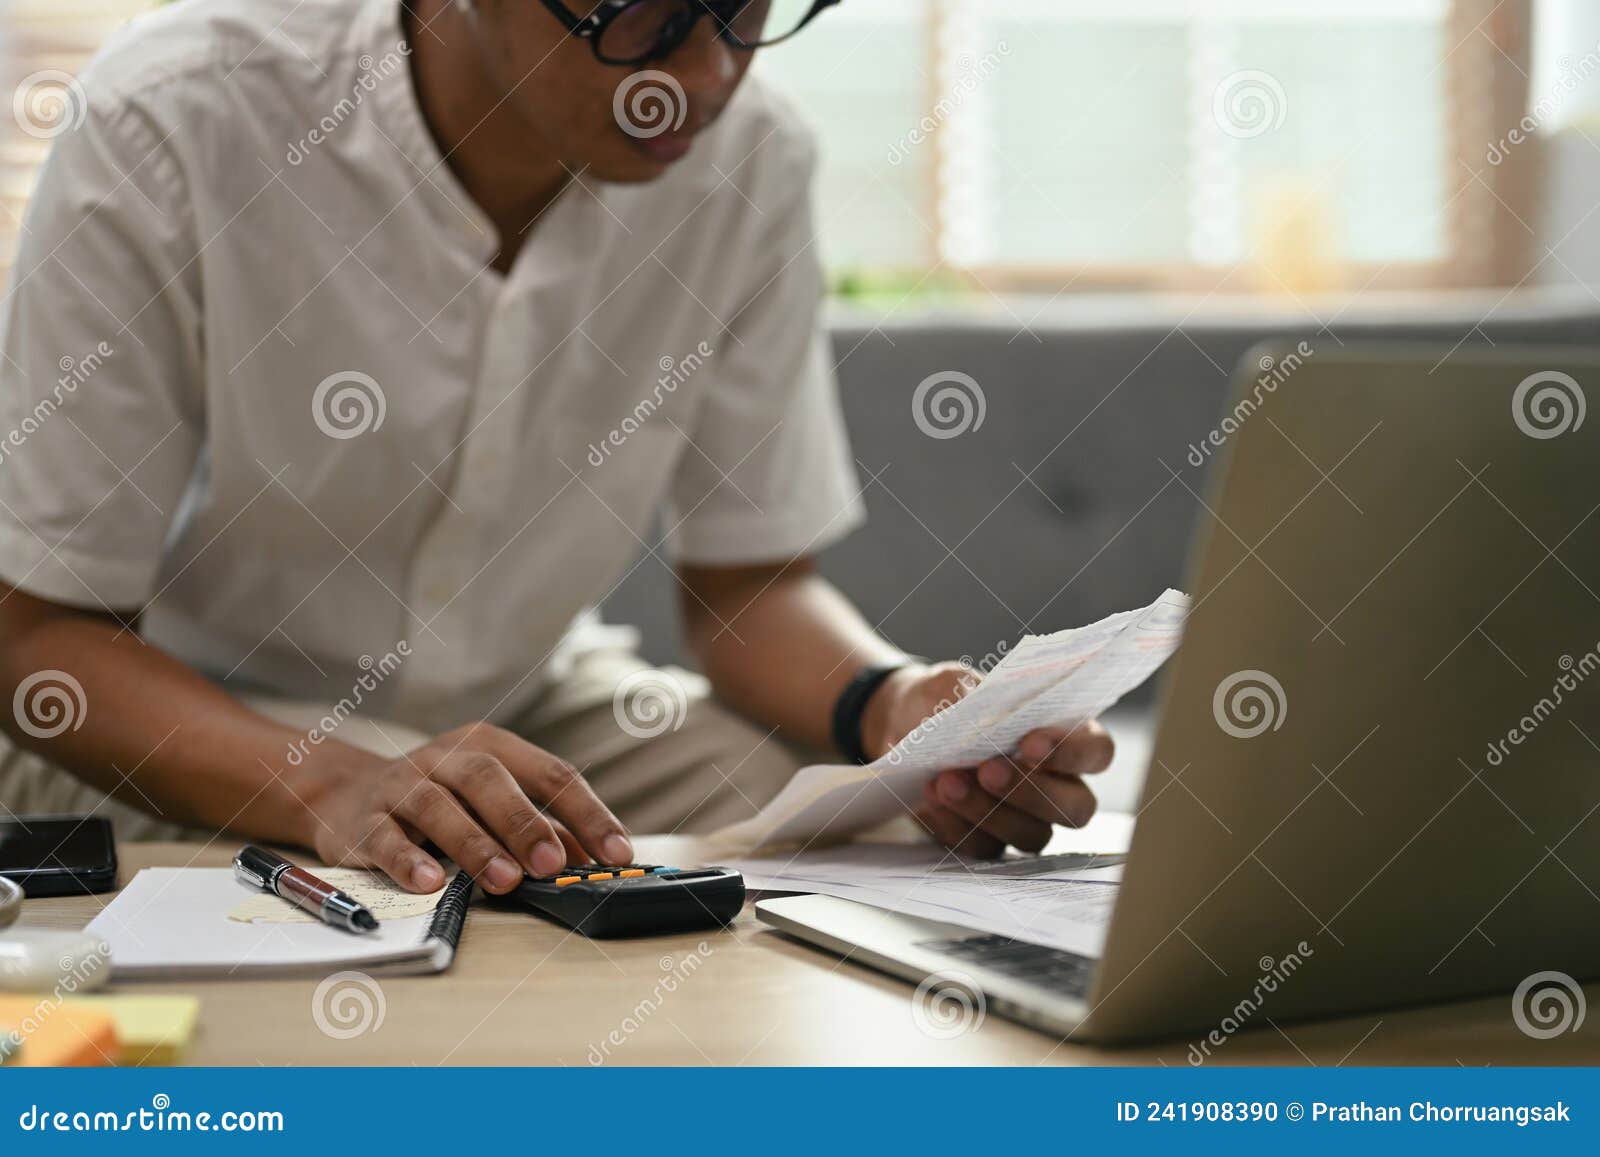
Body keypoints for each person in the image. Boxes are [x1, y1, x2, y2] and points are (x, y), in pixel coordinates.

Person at [0, 0, 1112, 895]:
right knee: (440, 874)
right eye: (644, 16)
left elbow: (751, 587)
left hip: (535, 700)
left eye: (740, 10)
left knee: (843, 846)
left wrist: (900, 710)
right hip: (191, 711)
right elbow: (42, 639)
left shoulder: (756, 159)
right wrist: (338, 781)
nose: (709, 75)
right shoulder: (176, 116)